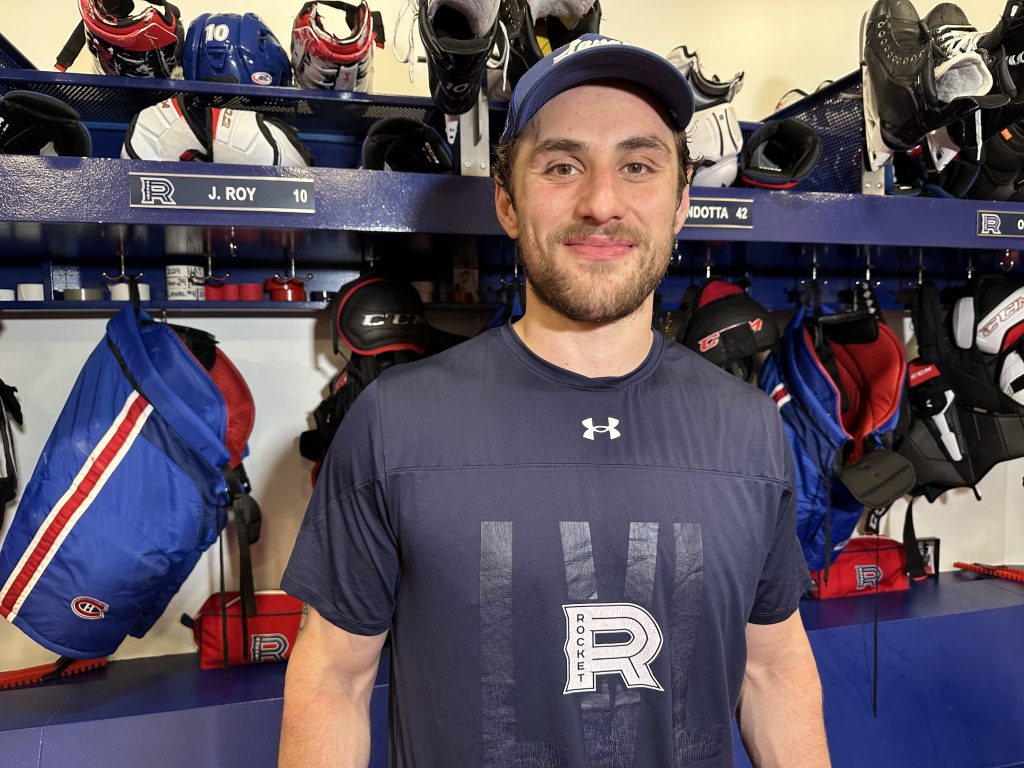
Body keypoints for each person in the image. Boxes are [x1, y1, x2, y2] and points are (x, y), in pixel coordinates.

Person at [278, 33, 831, 768]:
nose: (602, 202)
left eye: (638, 166)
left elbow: (771, 666)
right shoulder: (396, 424)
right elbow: (333, 680)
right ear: (508, 201)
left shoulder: (748, 429)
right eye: (563, 165)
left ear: (681, 203)